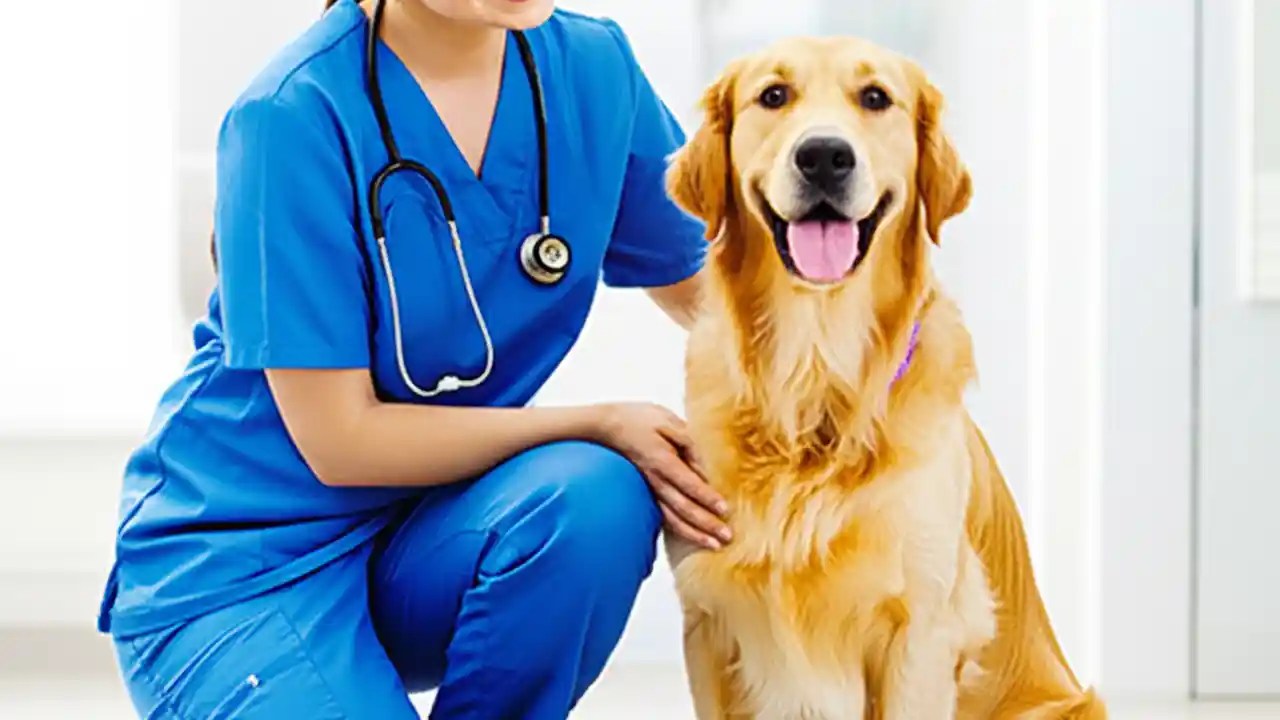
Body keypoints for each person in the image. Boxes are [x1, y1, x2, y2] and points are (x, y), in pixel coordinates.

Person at [97, 1, 733, 717]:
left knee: (593, 498)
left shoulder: (590, 68)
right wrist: (599, 420)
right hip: (242, 565)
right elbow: (342, 443)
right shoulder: (289, 116)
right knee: (599, 453)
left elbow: (724, 295)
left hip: (427, 536)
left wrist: (873, 371)